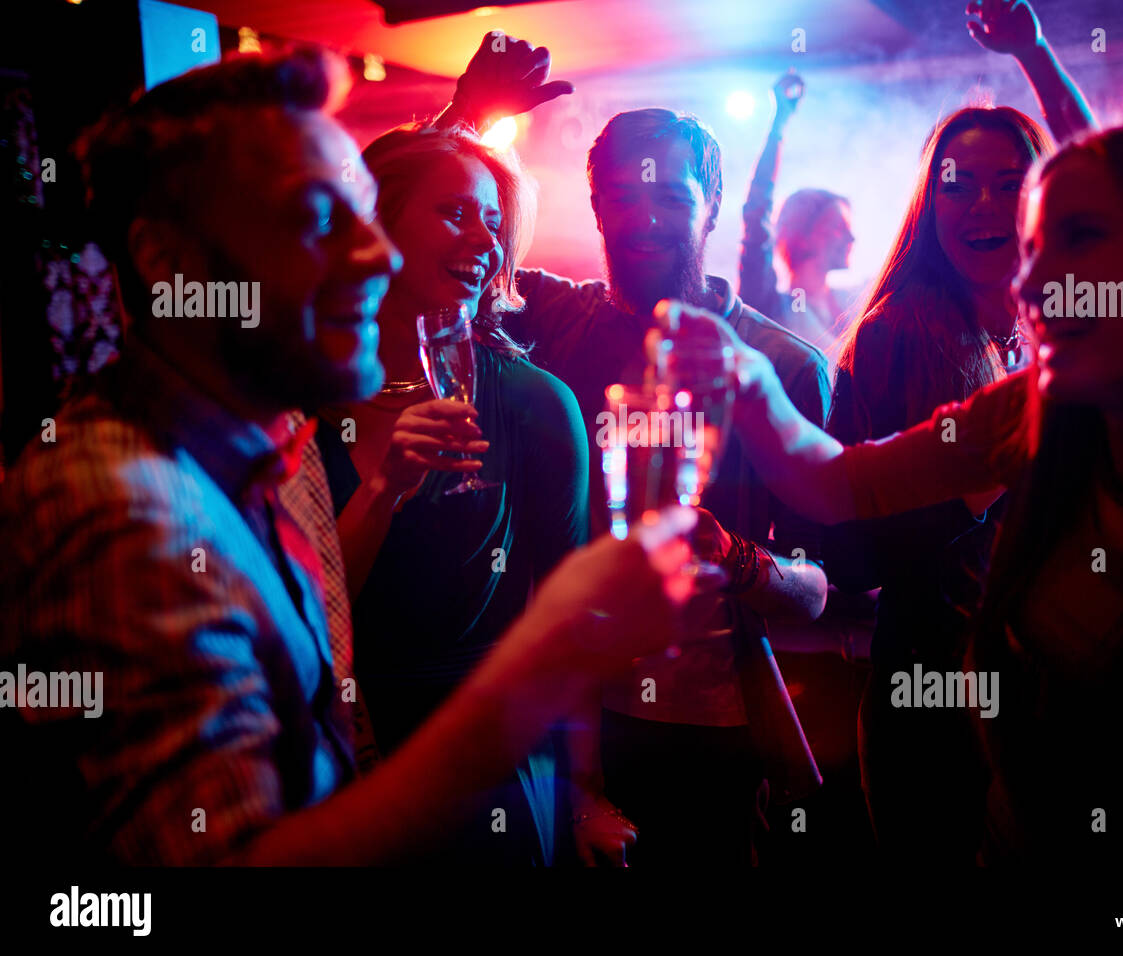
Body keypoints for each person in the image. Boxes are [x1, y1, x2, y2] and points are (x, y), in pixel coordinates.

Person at [0, 47, 696, 865]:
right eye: (322, 222)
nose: (379, 258)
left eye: (365, 220)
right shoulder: (123, 505)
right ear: (166, 263)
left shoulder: (253, 447)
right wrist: (548, 653)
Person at [658, 111, 1123, 867]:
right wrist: (752, 383)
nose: (1028, 281)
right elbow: (842, 488)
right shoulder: (1027, 406)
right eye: (1038, 247)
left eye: (1078, 239)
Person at [435, 33, 831, 866]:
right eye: (620, 196)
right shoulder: (547, 322)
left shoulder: (784, 367)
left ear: (711, 203)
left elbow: (819, 592)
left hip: (712, 730)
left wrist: (737, 558)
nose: (642, 217)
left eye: (670, 197)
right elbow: (406, 242)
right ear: (597, 207)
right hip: (564, 716)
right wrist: (464, 119)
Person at [824, 0, 1093, 861]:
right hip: (938, 693)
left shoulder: (1053, 324)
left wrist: (1036, 53)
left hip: (1038, 684)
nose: (983, 202)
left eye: (1010, 180)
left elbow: (1112, 183)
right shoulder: (904, 331)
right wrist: (980, 478)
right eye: (958, 183)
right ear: (931, 206)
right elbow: (863, 553)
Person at [312, 121, 590, 865]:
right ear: (374, 225)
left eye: (494, 223)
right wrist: (383, 491)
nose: (485, 242)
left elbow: (568, 623)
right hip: (340, 748)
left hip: (486, 757)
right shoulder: (302, 406)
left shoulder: (536, 404)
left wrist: (585, 794)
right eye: (457, 214)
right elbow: (306, 613)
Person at [739, 71, 855, 350]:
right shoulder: (769, 308)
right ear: (801, 235)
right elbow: (756, 215)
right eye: (838, 228)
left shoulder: (856, 304)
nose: (851, 238)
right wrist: (778, 123)